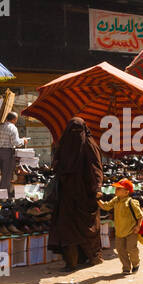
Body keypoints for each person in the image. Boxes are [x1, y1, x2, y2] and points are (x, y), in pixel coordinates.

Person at [48, 117, 103, 273]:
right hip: (67, 195)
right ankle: (71, 262)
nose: (75, 135)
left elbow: (95, 168)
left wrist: (97, 187)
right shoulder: (65, 145)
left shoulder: (87, 145)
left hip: (84, 194)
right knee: (68, 228)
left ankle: (92, 257)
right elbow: (56, 165)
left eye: (78, 131)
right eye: (73, 131)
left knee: (85, 227)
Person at [99, 178, 143, 276]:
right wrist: (98, 199)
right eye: (116, 188)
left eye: (119, 188)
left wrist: (138, 226)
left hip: (131, 231)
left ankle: (136, 263)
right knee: (120, 251)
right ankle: (126, 268)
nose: (116, 190)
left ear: (126, 192)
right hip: (119, 232)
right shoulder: (115, 200)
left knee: (132, 250)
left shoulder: (131, 202)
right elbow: (106, 206)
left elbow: (140, 215)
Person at [0, 111, 28, 192]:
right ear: (14, 119)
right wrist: (23, 140)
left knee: (5, 174)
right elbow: (16, 143)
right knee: (7, 175)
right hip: (7, 152)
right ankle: (2, 197)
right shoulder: (12, 127)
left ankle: (6, 194)